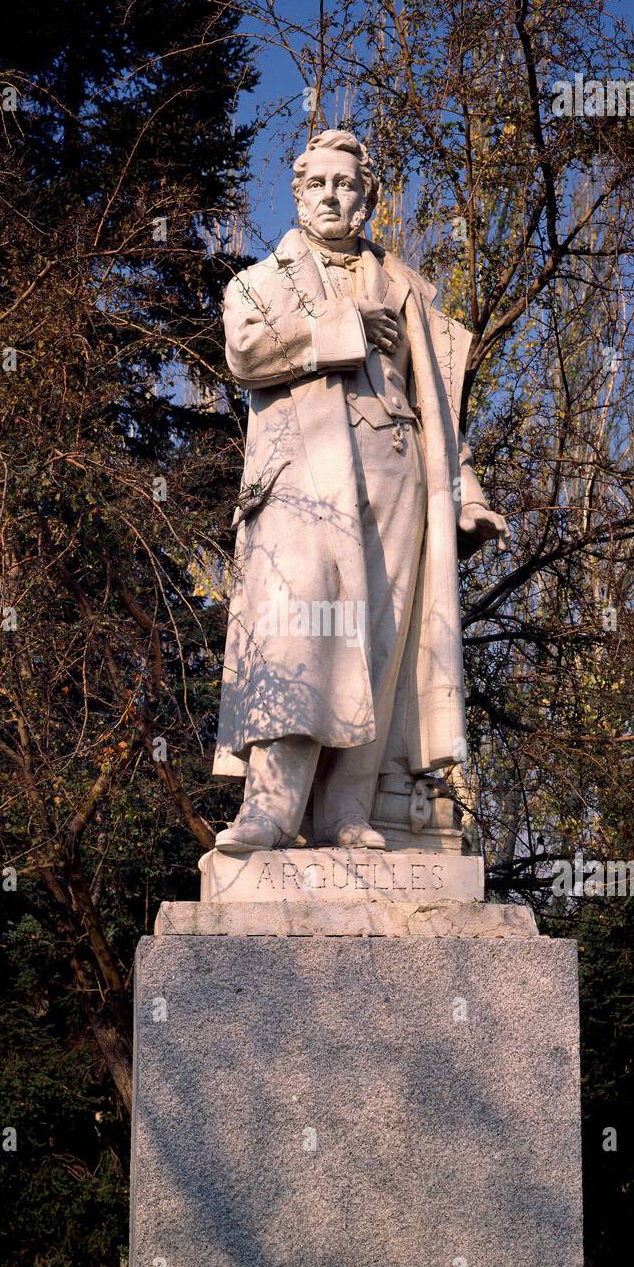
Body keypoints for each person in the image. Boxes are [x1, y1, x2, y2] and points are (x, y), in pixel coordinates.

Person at [212, 129, 508, 854]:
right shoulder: (259, 281)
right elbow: (246, 353)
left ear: (367, 196)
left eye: (346, 185)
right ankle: (271, 813)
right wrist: (341, 328)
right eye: (318, 185)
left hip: (396, 472)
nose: (332, 197)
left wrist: (462, 489)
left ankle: (351, 813)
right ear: (298, 192)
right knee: (301, 637)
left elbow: (436, 406)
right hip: (303, 482)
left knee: (380, 648)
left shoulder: (406, 286)